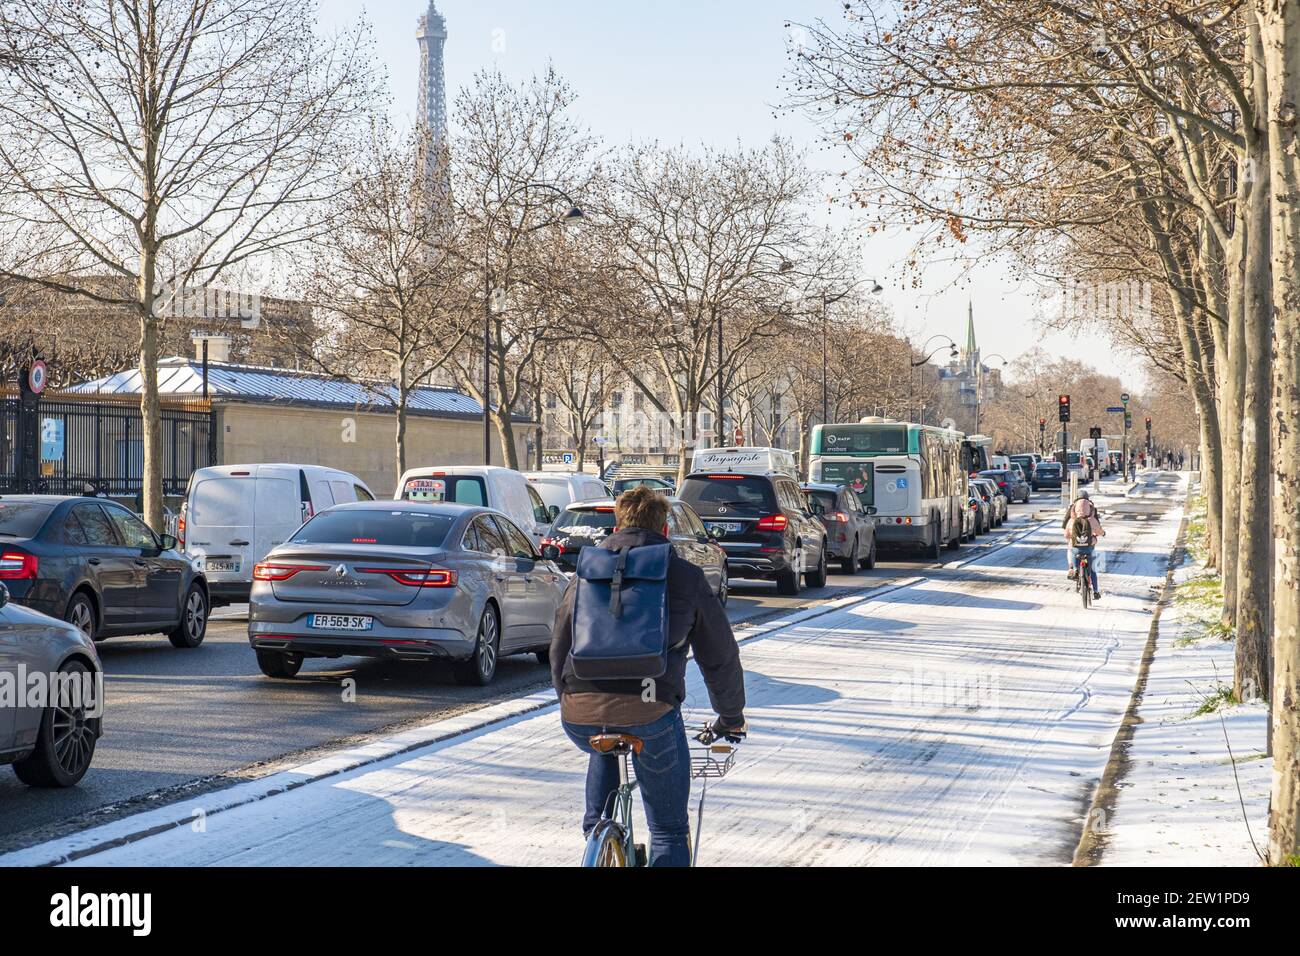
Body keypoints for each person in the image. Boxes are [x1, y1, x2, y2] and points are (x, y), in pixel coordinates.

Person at [550, 485, 746, 867]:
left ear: (617, 524)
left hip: (578, 711)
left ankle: (597, 831)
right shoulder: (685, 577)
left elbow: (559, 646)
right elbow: (719, 657)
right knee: (669, 829)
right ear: (666, 529)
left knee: (601, 739)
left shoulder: (585, 574)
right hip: (649, 710)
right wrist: (730, 717)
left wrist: (569, 697)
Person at [1062, 490, 1104, 599]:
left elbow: (1066, 535)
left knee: (1071, 549)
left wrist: (1071, 538)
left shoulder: (1072, 520)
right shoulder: (1091, 518)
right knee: (1092, 569)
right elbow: (1099, 530)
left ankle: (1074, 569)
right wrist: (1101, 534)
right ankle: (1095, 591)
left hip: (1076, 548)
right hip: (1089, 548)